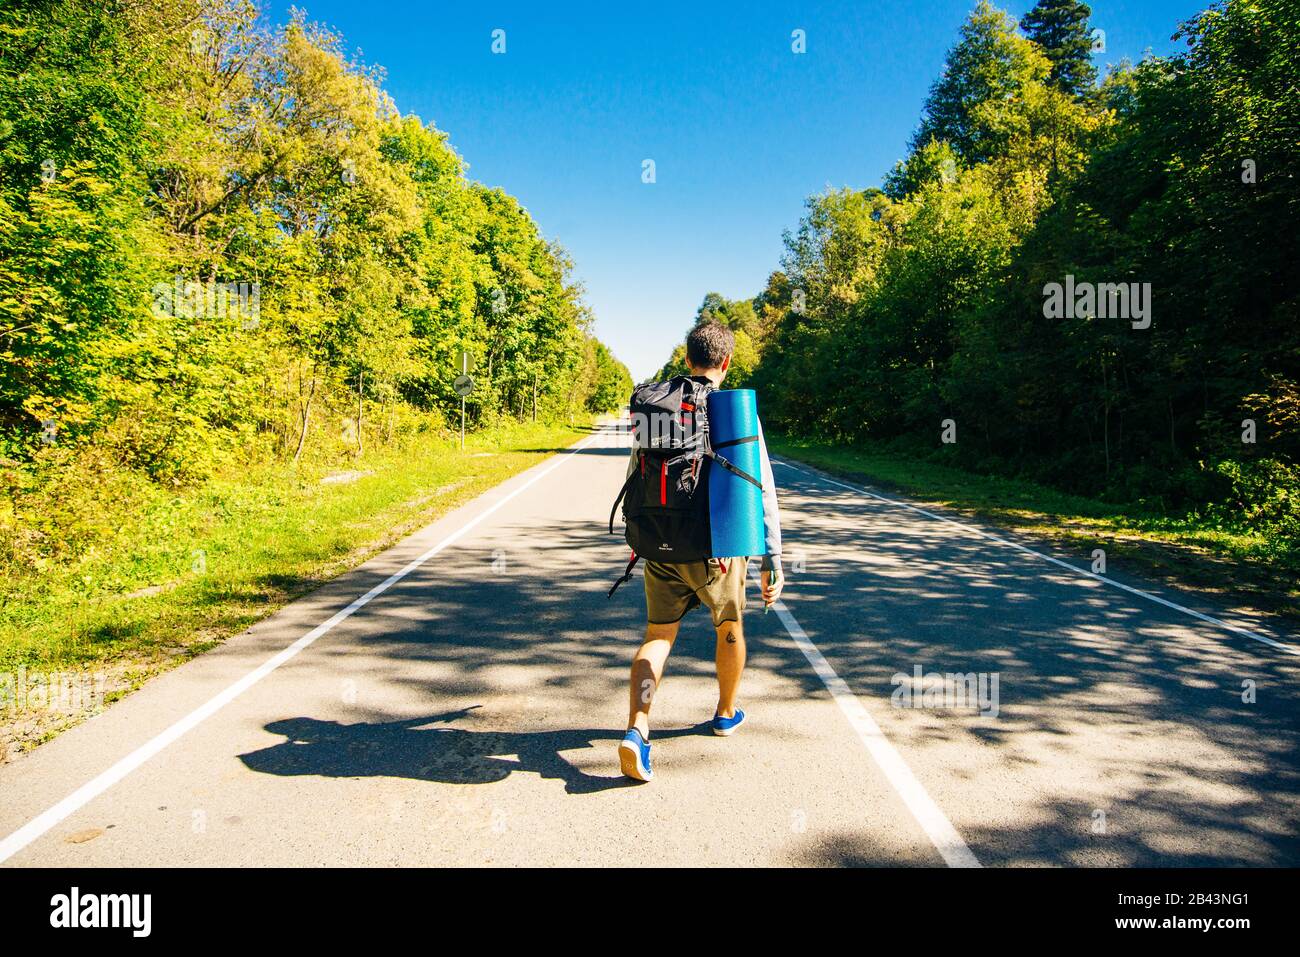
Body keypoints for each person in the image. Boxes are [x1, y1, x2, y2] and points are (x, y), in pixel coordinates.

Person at [619, 322, 783, 782]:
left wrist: (645, 536)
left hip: (661, 543)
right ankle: (726, 713)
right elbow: (760, 488)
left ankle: (637, 729)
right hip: (718, 550)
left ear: (687, 358)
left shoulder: (658, 404)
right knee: (729, 626)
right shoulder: (734, 410)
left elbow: (637, 472)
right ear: (726, 362)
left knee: (658, 635)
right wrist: (772, 557)